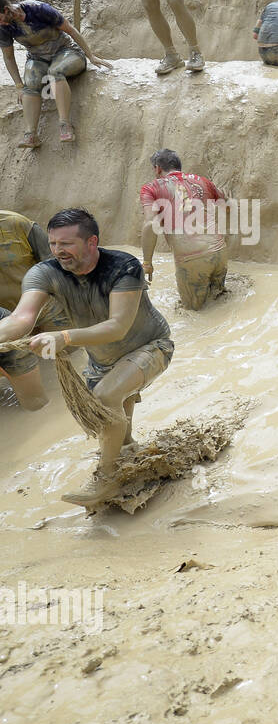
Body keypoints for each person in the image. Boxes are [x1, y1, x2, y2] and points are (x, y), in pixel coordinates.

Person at [0, 208, 173, 507]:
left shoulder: (123, 267)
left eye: (66, 244)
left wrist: (63, 337)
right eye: (53, 244)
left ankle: (104, 482)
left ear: (91, 242)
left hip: (149, 347)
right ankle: (137, 471)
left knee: (106, 398)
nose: (58, 251)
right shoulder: (44, 273)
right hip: (101, 361)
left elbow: (117, 326)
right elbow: (21, 318)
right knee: (120, 437)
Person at [0, 0, 111, 148]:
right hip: (37, 57)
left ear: (6, 10)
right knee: (30, 83)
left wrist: (90, 55)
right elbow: (8, 56)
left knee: (55, 72)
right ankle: (31, 134)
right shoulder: (4, 27)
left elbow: (70, 30)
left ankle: (65, 125)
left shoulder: (37, 9)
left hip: (66, 51)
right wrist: (19, 85)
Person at [138, 149, 229, 310]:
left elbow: (150, 224)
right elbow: (226, 206)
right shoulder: (203, 181)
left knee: (194, 314)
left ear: (158, 168)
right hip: (219, 252)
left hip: (192, 259)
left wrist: (147, 263)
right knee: (219, 303)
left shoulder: (152, 188)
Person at [0, 209, 66, 412]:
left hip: (43, 311)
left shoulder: (19, 224)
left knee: (60, 361)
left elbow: (57, 265)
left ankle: (60, 407)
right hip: (6, 325)